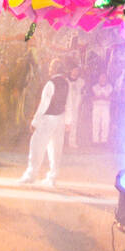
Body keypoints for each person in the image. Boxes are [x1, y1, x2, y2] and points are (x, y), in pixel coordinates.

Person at [20, 57, 68, 187]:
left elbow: (44, 104)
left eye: (52, 67)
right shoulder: (66, 82)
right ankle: (53, 177)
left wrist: (35, 121)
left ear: (55, 69)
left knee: (37, 145)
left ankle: (31, 175)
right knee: (55, 148)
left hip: (48, 119)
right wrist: (68, 121)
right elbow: (68, 102)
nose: (49, 69)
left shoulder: (50, 83)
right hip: (60, 119)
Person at [90, 70, 113, 146]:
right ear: (98, 78)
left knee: (105, 123)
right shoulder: (94, 87)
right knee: (96, 123)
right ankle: (95, 141)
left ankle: (104, 141)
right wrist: (99, 97)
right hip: (96, 106)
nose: (103, 79)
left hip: (106, 107)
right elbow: (91, 98)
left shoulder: (110, 87)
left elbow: (112, 98)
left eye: (104, 77)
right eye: (101, 77)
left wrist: (105, 98)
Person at [65, 62, 84, 149]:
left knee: (74, 124)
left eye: (77, 70)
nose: (75, 72)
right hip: (66, 106)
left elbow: (82, 93)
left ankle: (72, 142)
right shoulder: (65, 80)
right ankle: (61, 141)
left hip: (75, 107)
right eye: (74, 70)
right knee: (64, 124)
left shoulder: (81, 82)